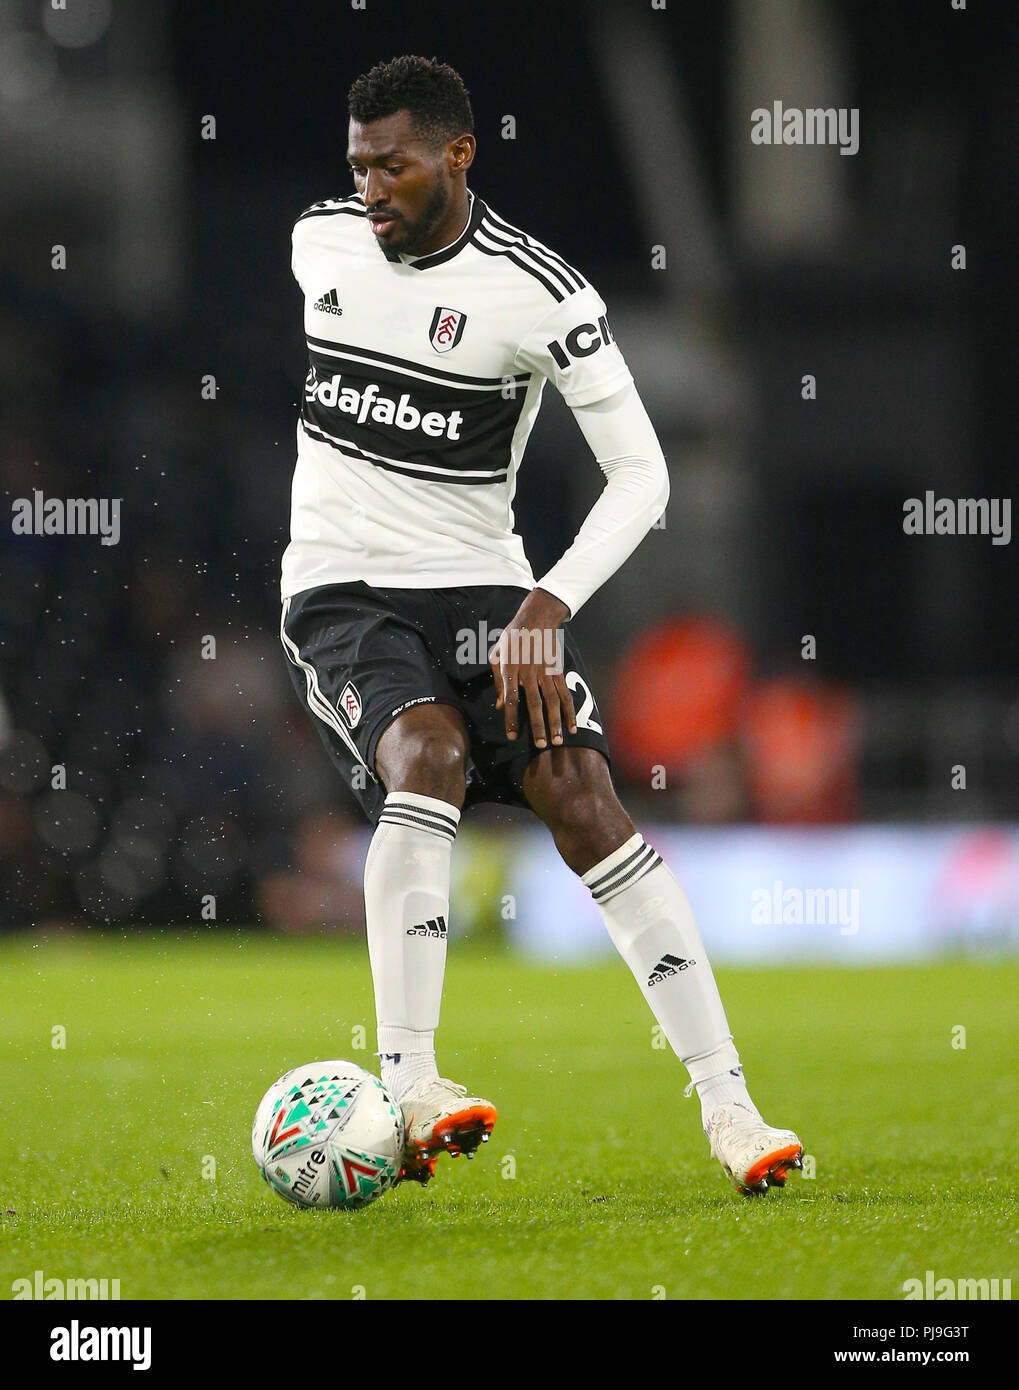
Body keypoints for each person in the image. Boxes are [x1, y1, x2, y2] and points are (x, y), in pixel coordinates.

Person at [280, 54, 802, 1194]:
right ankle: (410, 1080)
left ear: (458, 156)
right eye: (358, 165)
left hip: (484, 589)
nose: (369, 189)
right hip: (343, 587)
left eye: (395, 165)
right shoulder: (316, 241)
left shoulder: (540, 295)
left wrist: (546, 602)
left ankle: (728, 1105)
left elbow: (641, 477)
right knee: (428, 753)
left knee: (581, 796)